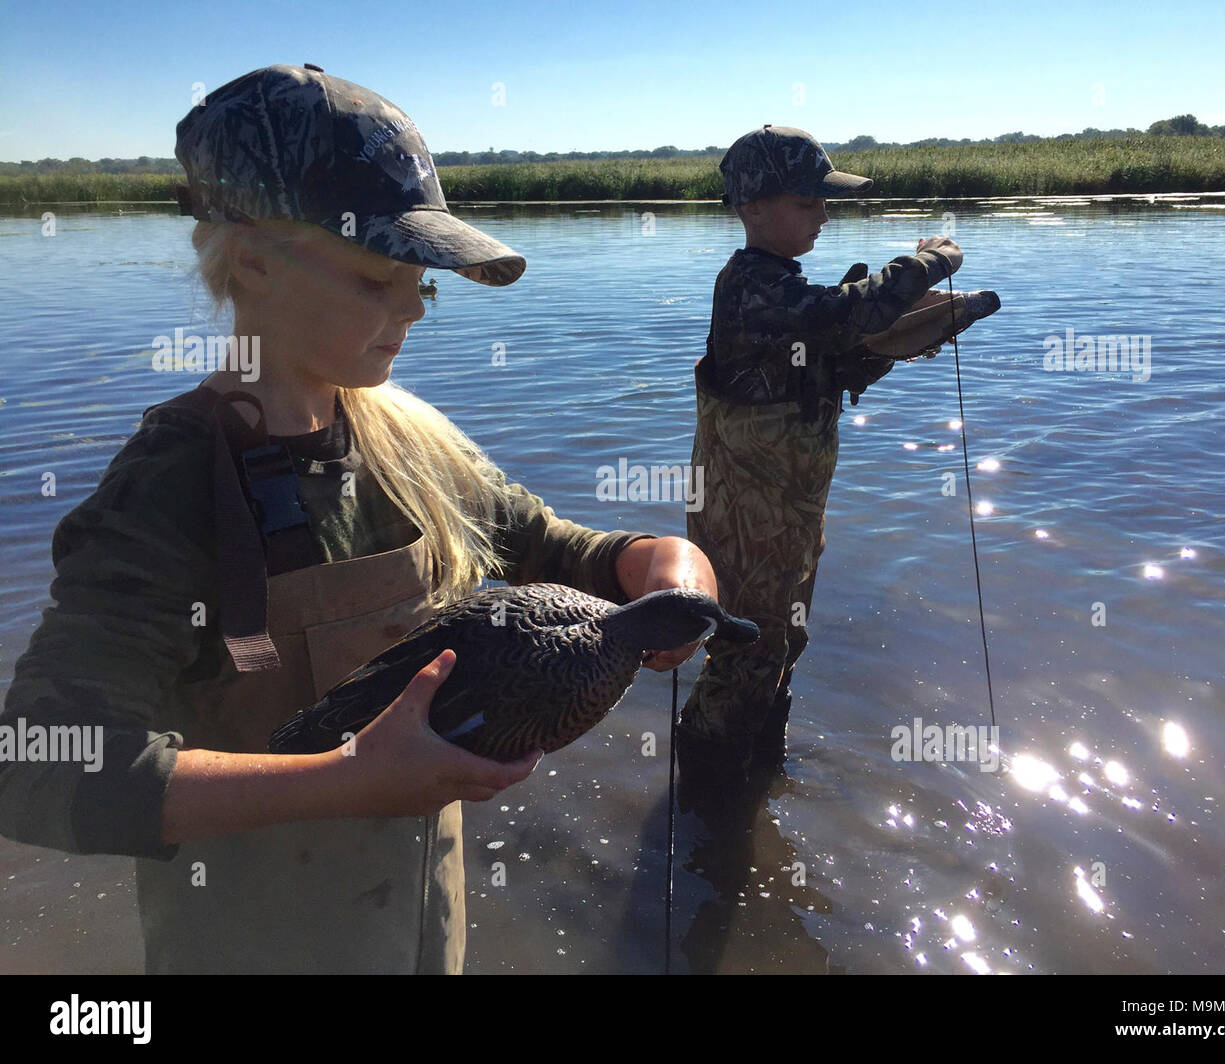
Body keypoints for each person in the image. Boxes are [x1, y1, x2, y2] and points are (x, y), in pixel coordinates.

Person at [0, 63, 717, 974]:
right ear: (254, 261)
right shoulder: (169, 491)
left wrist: (665, 566)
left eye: (422, 279)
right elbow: (38, 770)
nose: (417, 307)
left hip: (423, 932)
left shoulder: (410, 444)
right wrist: (341, 781)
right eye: (380, 277)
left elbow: (561, 549)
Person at [677, 125, 963, 787]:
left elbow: (826, 357)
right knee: (744, 647)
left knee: (781, 642)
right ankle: (707, 790)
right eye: (808, 204)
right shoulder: (750, 287)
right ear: (753, 209)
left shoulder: (786, 292)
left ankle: (753, 796)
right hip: (744, 519)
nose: (825, 216)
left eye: (824, 203)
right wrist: (929, 263)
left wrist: (885, 349)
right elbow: (847, 312)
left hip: (791, 517)